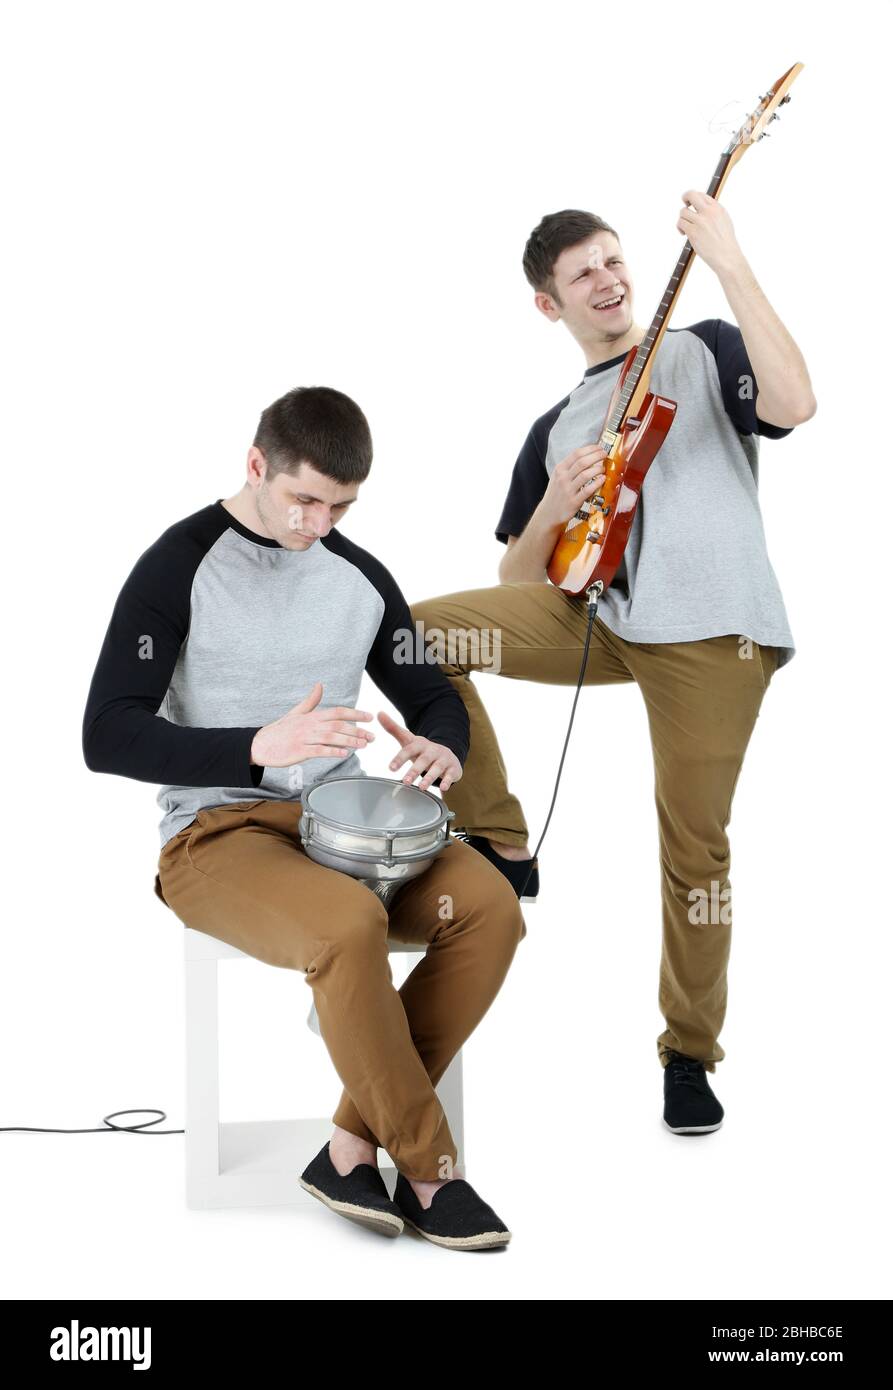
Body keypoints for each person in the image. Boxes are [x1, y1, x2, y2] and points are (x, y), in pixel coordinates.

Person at [82, 385, 524, 1250]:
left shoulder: (357, 577)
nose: (320, 522)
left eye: (341, 506)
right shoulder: (177, 566)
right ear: (257, 466)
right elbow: (106, 733)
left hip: (344, 825)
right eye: (305, 500)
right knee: (349, 923)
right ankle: (434, 1172)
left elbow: (431, 692)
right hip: (216, 836)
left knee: (492, 911)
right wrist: (256, 745)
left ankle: (350, 1144)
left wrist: (443, 746)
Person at [409, 197, 816, 1134]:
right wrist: (554, 502)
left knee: (694, 849)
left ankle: (687, 1054)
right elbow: (520, 575)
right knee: (415, 636)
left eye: (611, 260)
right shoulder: (553, 428)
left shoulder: (703, 349)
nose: (606, 280)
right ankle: (502, 836)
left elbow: (795, 403)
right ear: (549, 306)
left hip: (715, 634)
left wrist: (728, 260)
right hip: (600, 623)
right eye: (580, 274)